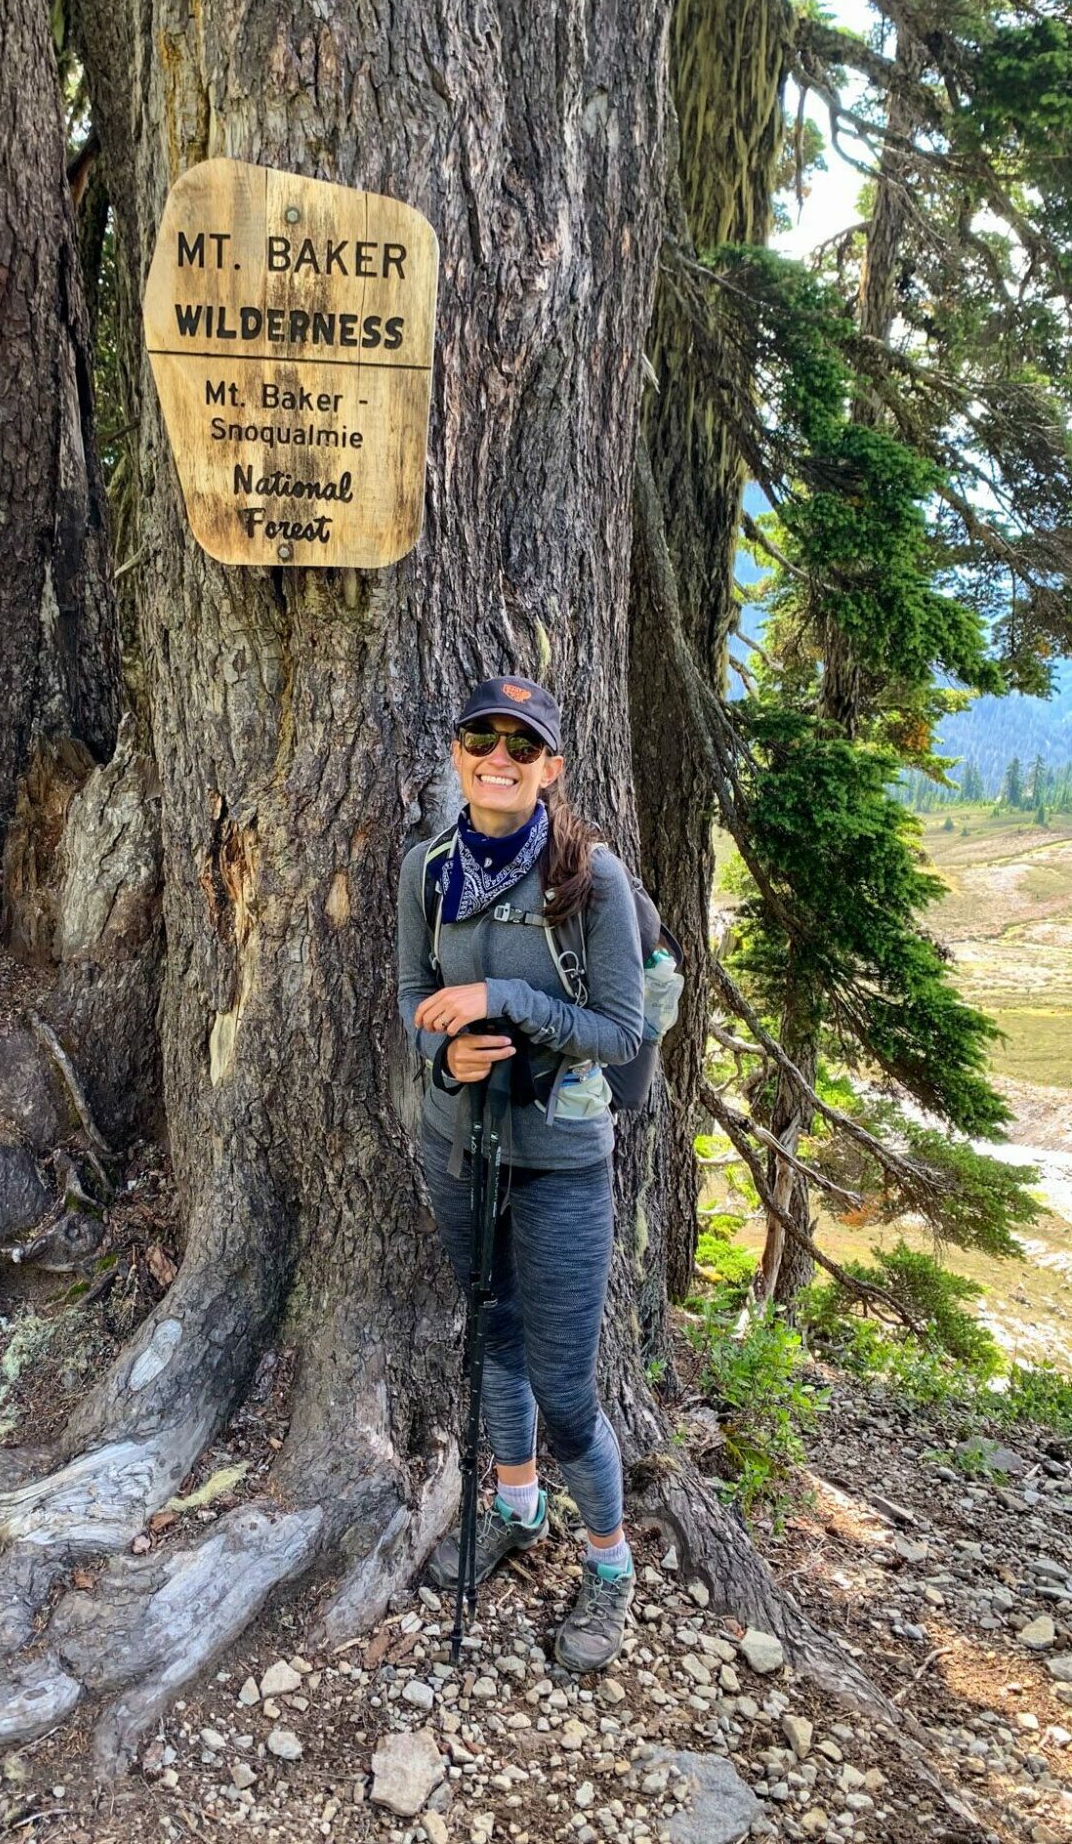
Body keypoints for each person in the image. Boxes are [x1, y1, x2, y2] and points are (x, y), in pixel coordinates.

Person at [396, 674, 646, 1673]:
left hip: (560, 1161)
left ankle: (611, 1569)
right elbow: (415, 995)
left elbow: (620, 1030)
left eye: (519, 743)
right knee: (490, 1335)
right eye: (479, 738)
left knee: (565, 1384)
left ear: (550, 767)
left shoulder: (592, 879)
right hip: (457, 1143)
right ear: (458, 754)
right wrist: (439, 1053)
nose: (496, 756)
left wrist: (503, 996)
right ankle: (513, 1506)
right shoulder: (427, 868)